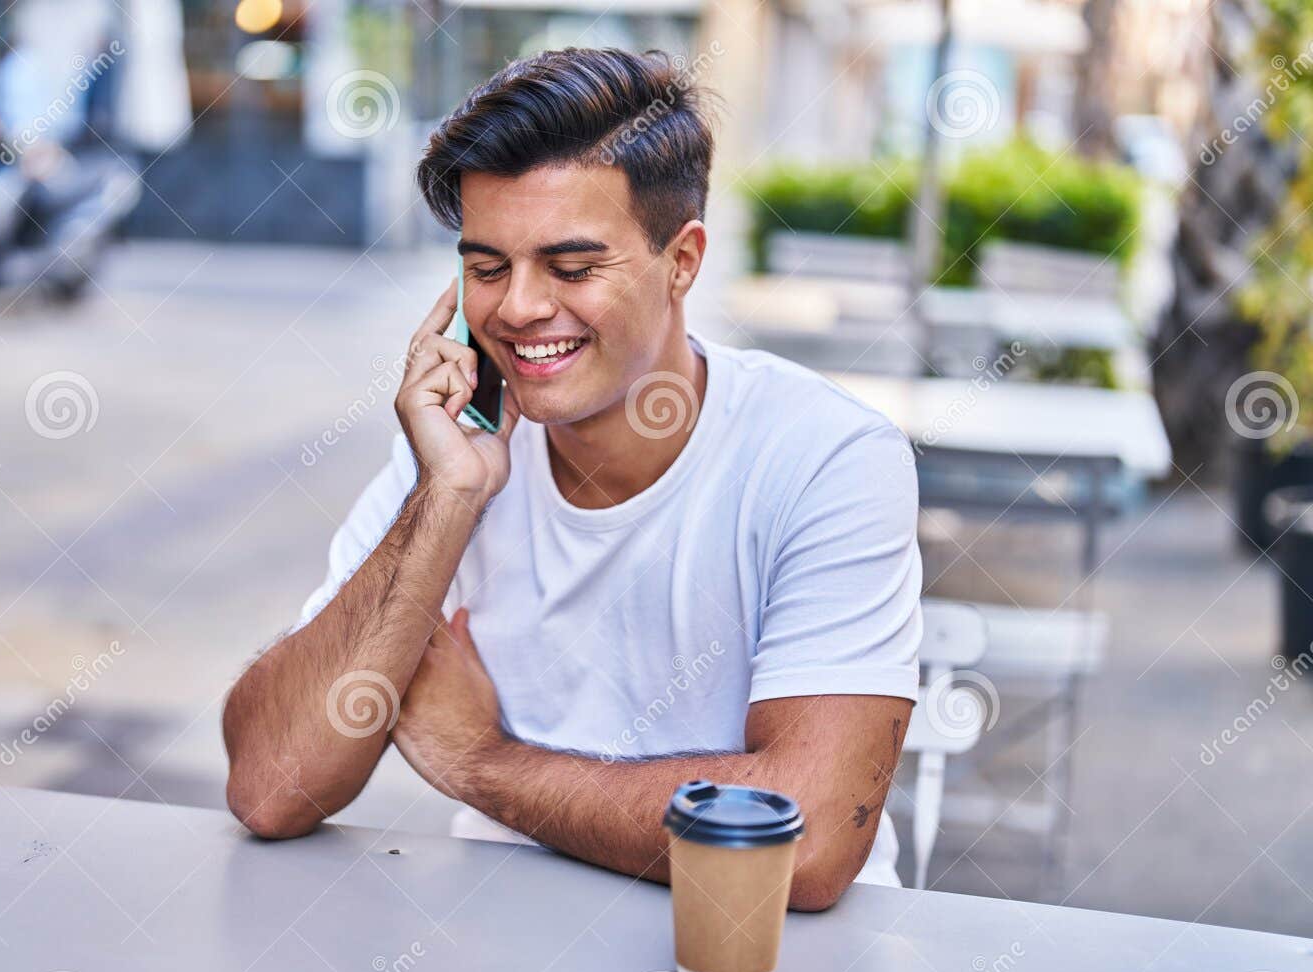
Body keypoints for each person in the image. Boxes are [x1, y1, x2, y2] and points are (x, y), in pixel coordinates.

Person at [222, 48, 921, 910]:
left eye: (572, 267)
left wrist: (488, 764)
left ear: (683, 260)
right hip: (505, 969)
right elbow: (270, 786)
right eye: (485, 267)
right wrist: (447, 500)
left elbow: (803, 839)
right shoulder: (455, 449)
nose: (517, 308)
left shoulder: (826, 459)